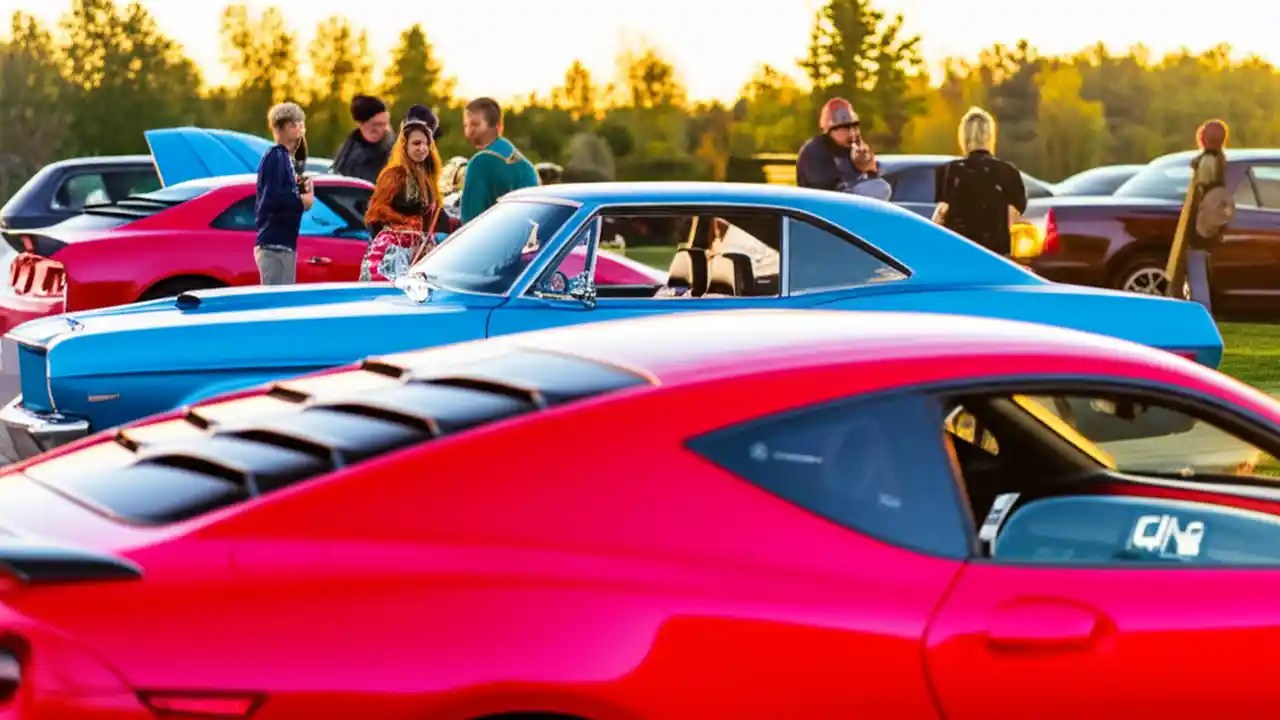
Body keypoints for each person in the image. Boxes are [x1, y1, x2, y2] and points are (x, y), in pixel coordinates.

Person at [361, 105, 443, 281]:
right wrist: (404, 222)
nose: (422, 148)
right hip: (393, 250)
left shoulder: (428, 178)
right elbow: (375, 211)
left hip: (417, 251)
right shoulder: (395, 174)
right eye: (416, 143)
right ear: (405, 146)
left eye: (426, 143)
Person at [931, 106, 1027, 257]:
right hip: (997, 256)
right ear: (991, 136)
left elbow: (940, 217)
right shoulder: (1008, 173)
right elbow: (1013, 221)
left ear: (964, 137)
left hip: (957, 253)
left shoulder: (950, 171)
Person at [1167, 119, 1233, 312]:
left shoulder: (1207, 162)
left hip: (1201, 223)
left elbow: (1201, 195)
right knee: (1199, 264)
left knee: (1196, 265)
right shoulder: (1219, 159)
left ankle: (1202, 310)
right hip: (1209, 221)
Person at [255, 102, 313, 285]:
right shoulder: (277, 155)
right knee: (276, 304)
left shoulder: (282, 158)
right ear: (289, 126)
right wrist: (303, 200)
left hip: (281, 245)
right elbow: (276, 197)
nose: (302, 130)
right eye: (299, 124)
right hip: (275, 247)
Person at [459, 97, 539, 223]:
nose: (469, 131)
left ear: (497, 127)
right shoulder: (524, 164)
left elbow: (470, 221)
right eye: (466, 125)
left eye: (475, 124)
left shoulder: (480, 162)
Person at [795, 98, 892, 200]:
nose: (852, 133)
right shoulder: (815, 151)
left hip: (842, 201)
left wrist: (869, 169)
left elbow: (868, 176)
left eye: (854, 127)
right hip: (824, 206)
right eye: (846, 128)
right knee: (880, 187)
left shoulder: (848, 150)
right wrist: (863, 173)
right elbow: (827, 190)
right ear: (831, 129)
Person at [330, 94, 394, 183]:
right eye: (375, 125)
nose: (380, 129)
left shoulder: (396, 153)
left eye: (384, 124)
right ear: (360, 124)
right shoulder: (346, 155)